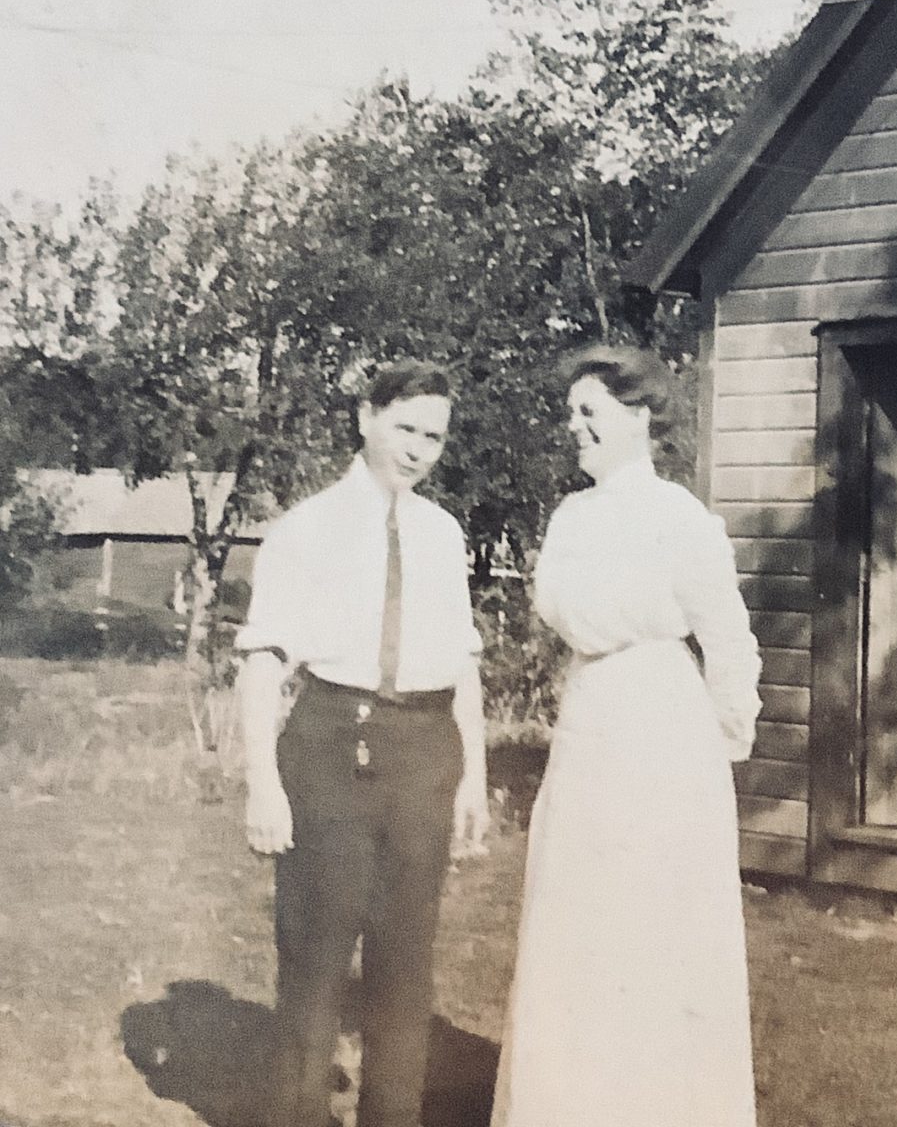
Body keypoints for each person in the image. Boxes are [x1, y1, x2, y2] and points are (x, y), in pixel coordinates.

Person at [491, 345, 762, 1127]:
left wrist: (719, 746)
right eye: (571, 414)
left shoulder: (681, 518)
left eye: (591, 413)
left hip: (665, 728)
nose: (575, 428)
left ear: (641, 417)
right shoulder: (570, 518)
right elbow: (563, 609)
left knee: (657, 932)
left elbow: (731, 642)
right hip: (591, 721)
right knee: (578, 922)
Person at [237, 360, 491, 1127]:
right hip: (329, 743)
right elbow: (262, 662)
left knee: (405, 966)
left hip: (424, 748)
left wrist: (474, 779)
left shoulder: (443, 534)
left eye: (434, 437)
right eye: (406, 428)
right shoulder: (305, 529)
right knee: (315, 963)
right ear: (366, 418)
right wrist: (262, 784)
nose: (418, 449)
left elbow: (464, 665)